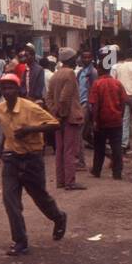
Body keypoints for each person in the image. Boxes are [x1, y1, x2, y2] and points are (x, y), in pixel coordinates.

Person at [0, 73, 67, 256]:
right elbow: (6, 130)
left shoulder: (30, 108)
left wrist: (30, 130)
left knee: (39, 197)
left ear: (18, 89)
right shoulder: (0, 110)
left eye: (11, 87)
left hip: (32, 158)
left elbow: (55, 124)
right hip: (11, 158)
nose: (7, 91)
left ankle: (58, 217)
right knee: (10, 201)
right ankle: (20, 241)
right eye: (4, 88)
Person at [48, 48, 86, 190]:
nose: (77, 61)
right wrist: (62, 113)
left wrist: (54, 112)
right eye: (75, 58)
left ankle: (61, 180)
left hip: (58, 118)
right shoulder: (70, 73)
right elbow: (65, 97)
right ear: (70, 59)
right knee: (70, 150)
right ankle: (70, 181)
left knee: (60, 150)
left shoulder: (56, 74)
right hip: (68, 118)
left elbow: (49, 97)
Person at [89, 60, 126, 180]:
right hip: (116, 119)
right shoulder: (118, 83)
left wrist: (94, 120)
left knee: (99, 147)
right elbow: (124, 101)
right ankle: (117, 173)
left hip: (102, 120)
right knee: (116, 147)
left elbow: (94, 104)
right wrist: (121, 115)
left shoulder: (97, 84)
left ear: (99, 70)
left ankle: (96, 170)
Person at [76, 50, 97, 169]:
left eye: (88, 57)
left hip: (87, 105)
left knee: (78, 133)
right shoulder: (80, 72)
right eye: (84, 57)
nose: (86, 59)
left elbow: (94, 90)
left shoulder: (92, 73)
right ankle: (111, 154)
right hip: (80, 104)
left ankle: (80, 161)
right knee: (86, 135)